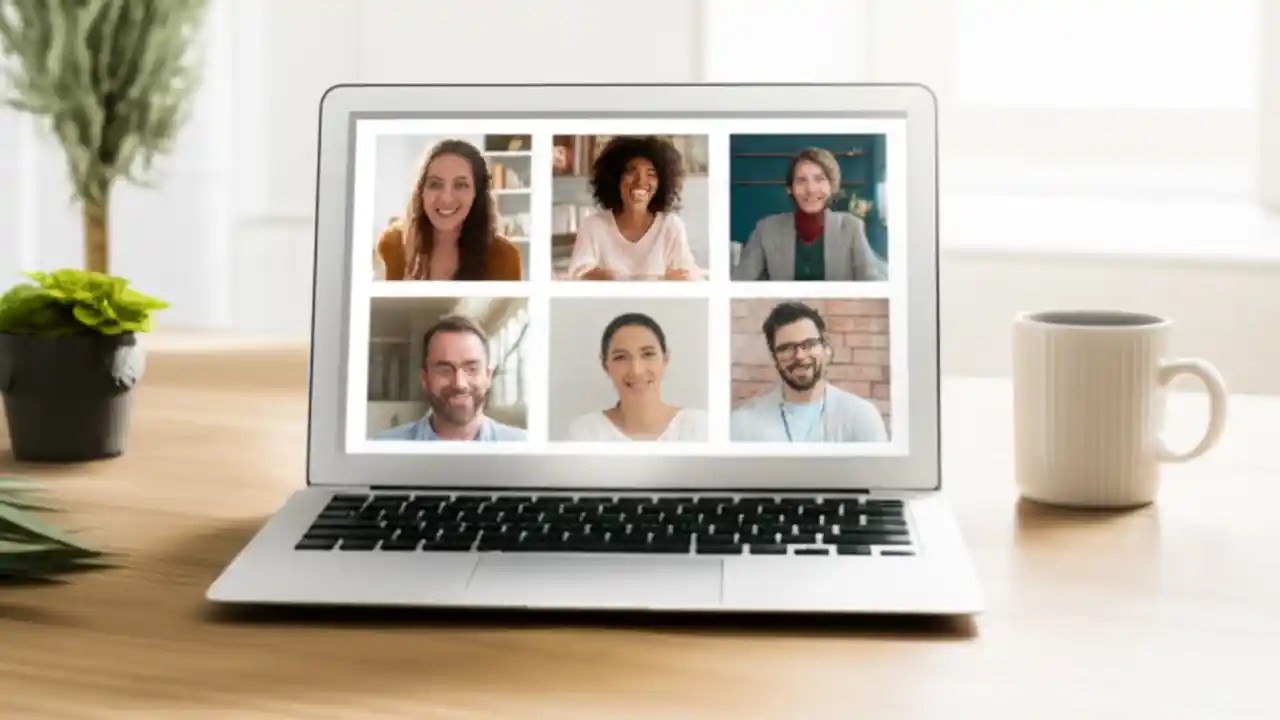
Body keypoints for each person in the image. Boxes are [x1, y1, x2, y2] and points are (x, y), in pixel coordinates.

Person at [730, 301, 887, 442]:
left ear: (826, 348)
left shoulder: (861, 417)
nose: (799, 355)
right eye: (786, 348)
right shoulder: (742, 423)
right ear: (774, 357)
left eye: (808, 344)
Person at [731, 147, 886, 282]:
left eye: (820, 179)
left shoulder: (851, 227)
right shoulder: (766, 230)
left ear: (832, 187)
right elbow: (738, 285)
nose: (811, 189)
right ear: (789, 188)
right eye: (801, 180)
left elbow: (874, 282)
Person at [377, 139, 522, 281]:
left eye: (460, 185)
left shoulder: (505, 257)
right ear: (421, 191)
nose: (446, 198)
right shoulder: (392, 245)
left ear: (476, 193)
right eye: (435, 184)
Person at [566, 135, 700, 281]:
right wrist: (660, 280)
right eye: (631, 172)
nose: (641, 181)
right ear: (615, 178)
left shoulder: (670, 226)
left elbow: (689, 280)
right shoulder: (593, 225)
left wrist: (613, 278)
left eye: (651, 174)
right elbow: (578, 279)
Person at [376, 315, 526, 441]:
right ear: (425, 378)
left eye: (471, 369)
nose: (459, 384)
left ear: (488, 376)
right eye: (445, 370)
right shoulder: (381, 449)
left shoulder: (523, 447)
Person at [566, 312, 707, 441]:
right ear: (605, 366)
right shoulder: (585, 432)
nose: (636, 370)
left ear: (665, 359)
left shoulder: (700, 427)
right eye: (621, 357)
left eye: (648, 354)